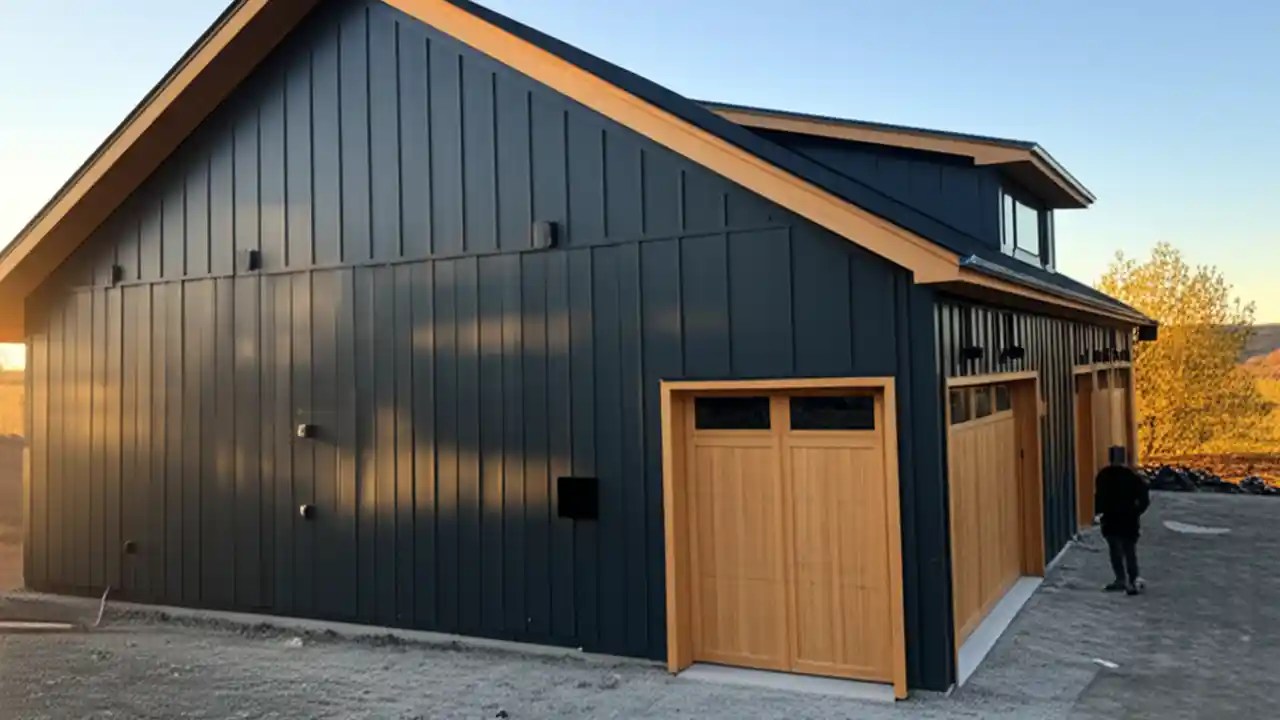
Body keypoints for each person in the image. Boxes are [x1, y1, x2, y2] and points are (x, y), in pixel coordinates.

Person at [1093, 445, 1150, 595]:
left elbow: (1098, 497)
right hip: (1129, 519)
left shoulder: (1104, 475)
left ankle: (1121, 579)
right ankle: (1132, 579)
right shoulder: (1133, 477)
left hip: (1111, 519)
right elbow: (1144, 499)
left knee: (1115, 550)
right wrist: (1137, 512)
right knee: (1129, 550)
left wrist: (1099, 512)